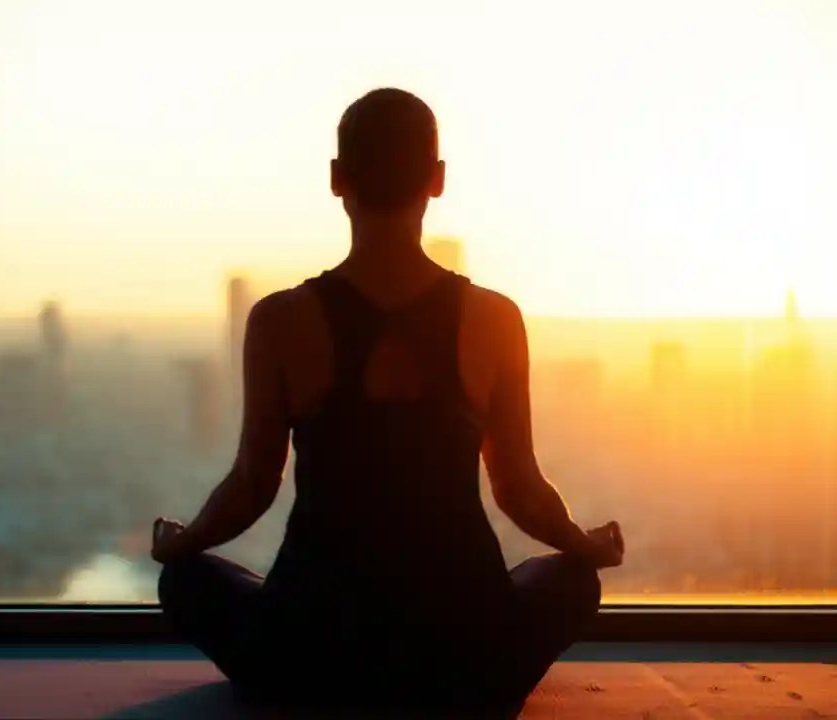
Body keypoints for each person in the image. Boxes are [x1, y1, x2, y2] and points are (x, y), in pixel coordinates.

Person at [151, 88, 625, 713]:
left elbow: (252, 483)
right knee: (570, 581)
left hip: (311, 650)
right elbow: (519, 488)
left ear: (336, 180)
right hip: (466, 653)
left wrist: (185, 544)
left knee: (187, 583)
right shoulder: (495, 319)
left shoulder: (280, 321)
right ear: (437, 181)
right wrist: (583, 545)